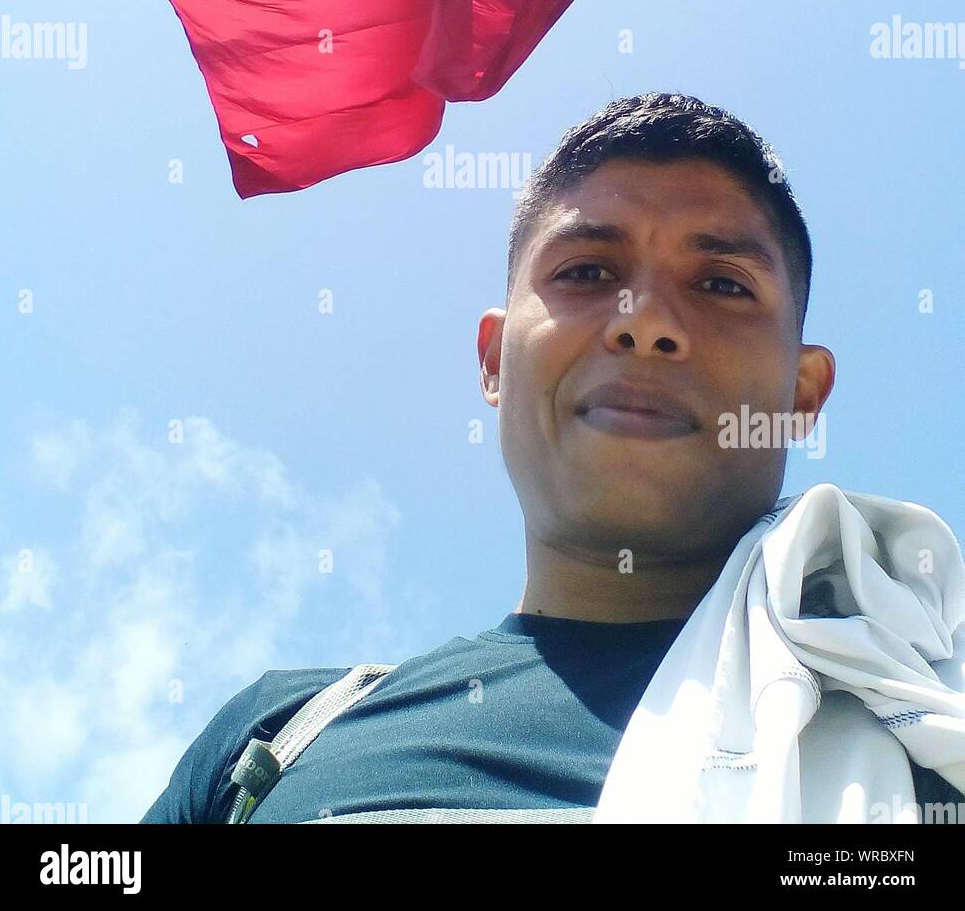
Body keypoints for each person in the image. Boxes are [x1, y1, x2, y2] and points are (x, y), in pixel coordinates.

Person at [140, 92, 961, 823]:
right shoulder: (281, 737)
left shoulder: (928, 706)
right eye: (587, 271)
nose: (644, 323)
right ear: (494, 361)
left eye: (720, 284)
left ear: (800, 395)